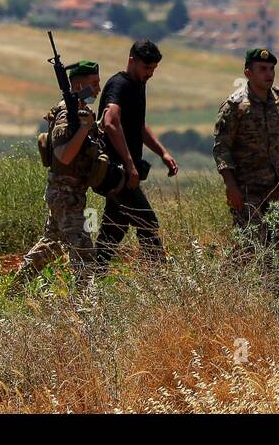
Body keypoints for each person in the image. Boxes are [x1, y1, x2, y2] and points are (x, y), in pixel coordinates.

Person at [12, 59, 105, 286]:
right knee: (83, 251)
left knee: (51, 244)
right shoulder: (66, 115)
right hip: (65, 194)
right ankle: (87, 306)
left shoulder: (83, 111)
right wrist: (83, 129)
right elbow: (63, 155)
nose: (98, 89)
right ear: (78, 85)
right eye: (93, 84)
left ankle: (16, 287)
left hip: (71, 193)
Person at [93, 39, 178, 265]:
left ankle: (89, 279)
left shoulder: (138, 85)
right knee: (147, 223)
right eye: (146, 68)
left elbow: (139, 126)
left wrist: (163, 153)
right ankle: (161, 279)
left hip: (126, 173)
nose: (150, 73)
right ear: (132, 61)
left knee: (113, 230)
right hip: (117, 172)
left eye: (153, 69)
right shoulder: (119, 85)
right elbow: (111, 122)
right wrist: (130, 165)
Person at [213, 47, 279, 252]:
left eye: (272, 69)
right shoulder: (235, 106)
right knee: (250, 246)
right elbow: (222, 148)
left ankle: (273, 285)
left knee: (278, 249)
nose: (269, 74)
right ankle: (232, 283)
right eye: (262, 69)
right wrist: (230, 186)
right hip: (246, 189)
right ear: (248, 73)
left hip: (274, 187)